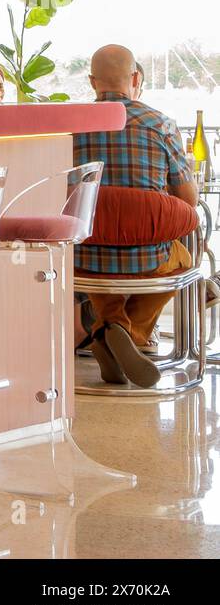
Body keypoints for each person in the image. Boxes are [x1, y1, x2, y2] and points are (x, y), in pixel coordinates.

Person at [73, 44, 197, 388]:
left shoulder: (70, 125)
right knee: (184, 257)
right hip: (148, 258)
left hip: (81, 257)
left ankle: (107, 331)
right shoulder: (160, 123)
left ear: (92, 81)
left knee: (96, 247)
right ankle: (130, 334)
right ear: (136, 77)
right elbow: (187, 200)